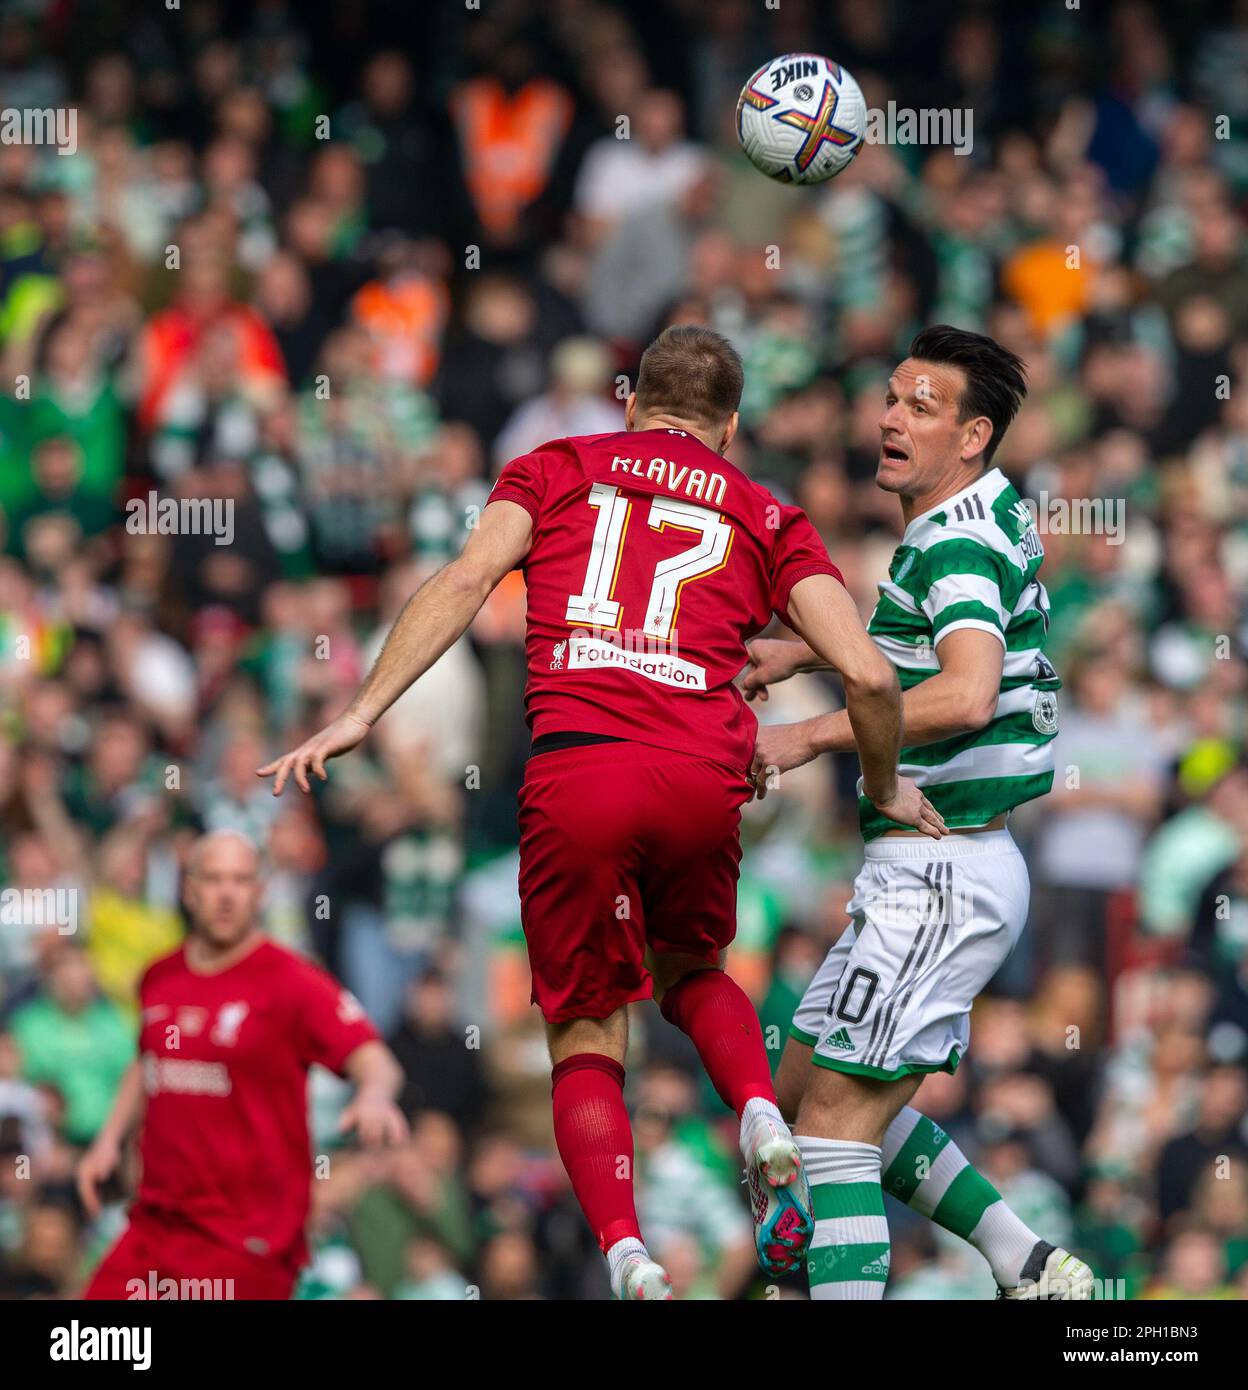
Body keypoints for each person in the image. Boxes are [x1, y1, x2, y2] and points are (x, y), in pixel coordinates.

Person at [259, 324, 943, 1299]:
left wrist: (362, 712)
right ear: (731, 427)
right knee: (692, 969)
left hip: (578, 772)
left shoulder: (556, 466)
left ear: (630, 403)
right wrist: (879, 786)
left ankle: (627, 1255)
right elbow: (871, 676)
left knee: (585, 1033)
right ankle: (759, 1112)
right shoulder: (768, 512)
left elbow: (464, 580)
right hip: (702, 775)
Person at [744, 326, 1093, 1300]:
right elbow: (931, 648)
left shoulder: (956, 540)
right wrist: (814, 650)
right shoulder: (975, 511)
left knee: (830, 1131)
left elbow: (968, 691)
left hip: (943, 871)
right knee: (803, 1087)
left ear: (974, 436)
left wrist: (811, 733)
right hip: (929, 868)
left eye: (922, 406)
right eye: (893, 398)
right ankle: (1026, 1261)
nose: (891, 419)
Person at [77, 829, 406, 1300]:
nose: (226, 894)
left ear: (260, 891)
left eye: (240, 880)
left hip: (247, 1241)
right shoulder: (159, 977)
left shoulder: (293, 982)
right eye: (213, 879)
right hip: (156, 1227)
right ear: (189, 889)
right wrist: (108, 1140)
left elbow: (375, 1059)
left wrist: (374, 1097)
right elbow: (150, 1060)